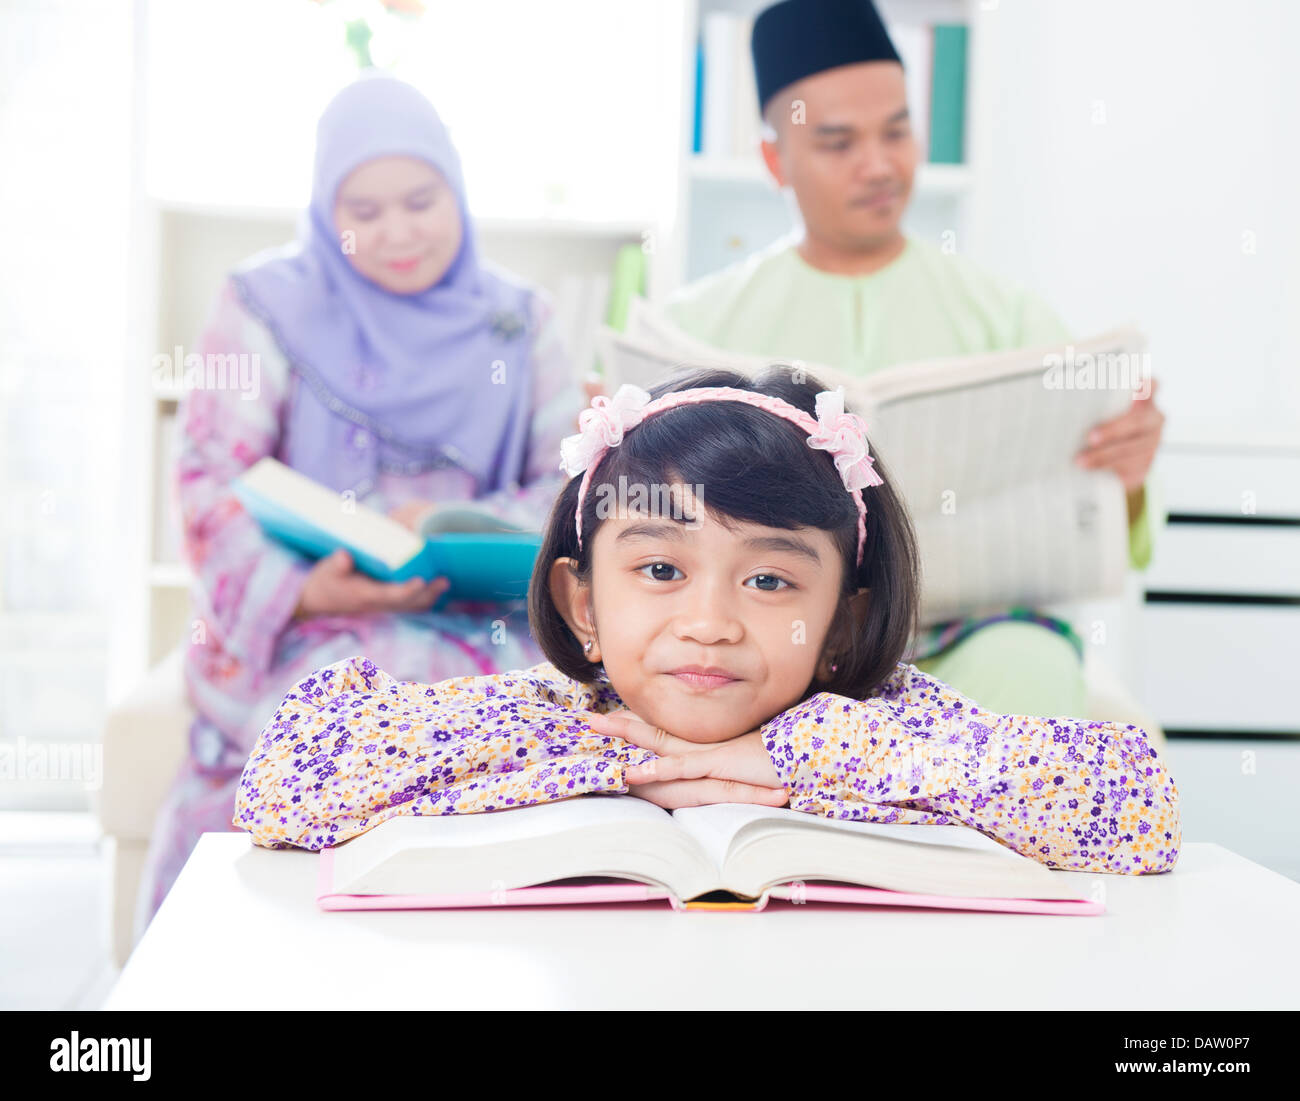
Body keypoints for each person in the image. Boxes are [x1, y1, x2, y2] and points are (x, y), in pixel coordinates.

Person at [232, 368, 1180, 876]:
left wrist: (814, 752)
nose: (711, 621)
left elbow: (1137, 804)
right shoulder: (556, 714)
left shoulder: (885, 722)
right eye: (658, 569)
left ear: (843, 621)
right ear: (584, 605)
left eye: (770, 581)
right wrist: (612, 765)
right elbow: (282, 782)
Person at [134, 71, 582, 935]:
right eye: (362, 210)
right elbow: (207, 476)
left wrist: (463, 532)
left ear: (456, 190)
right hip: (306, 622)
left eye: (420, 200)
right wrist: (317, 588)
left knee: (517, 744)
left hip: (489, 624)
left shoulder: (521, 322)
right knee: (319, 738)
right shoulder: (265, 302)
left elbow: (571, 487)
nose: (396, 233)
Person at [663, 0, 1167, 725]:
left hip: (963, 637)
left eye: (897, 130)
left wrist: (1130, 472)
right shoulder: (696, 326)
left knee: (1034, 664)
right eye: (838, 143)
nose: (880, 165)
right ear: (777, 159)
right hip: (782, 637)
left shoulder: (1011, 318)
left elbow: (1106, 519)